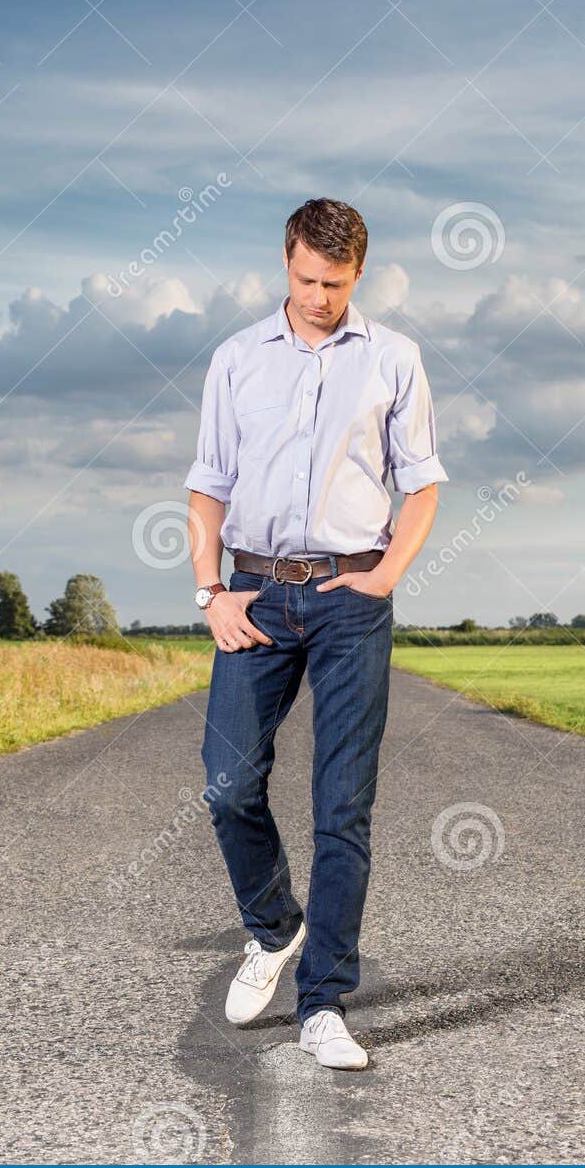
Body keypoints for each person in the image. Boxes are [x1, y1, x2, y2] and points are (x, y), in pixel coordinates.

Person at [184, 197, 448, 1070]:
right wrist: (210, 591)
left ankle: (324, 1004)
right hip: (253, 595)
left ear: (358, 274)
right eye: (304, 278)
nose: (318, 296)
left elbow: (423, 483)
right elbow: (207, 486)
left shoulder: (394, 359)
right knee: (227, 785)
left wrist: (381, 579)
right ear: (285, 261)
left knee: (341, 805)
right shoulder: (235, 359)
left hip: (347, 597)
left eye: (334, 284)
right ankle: (274, 928)